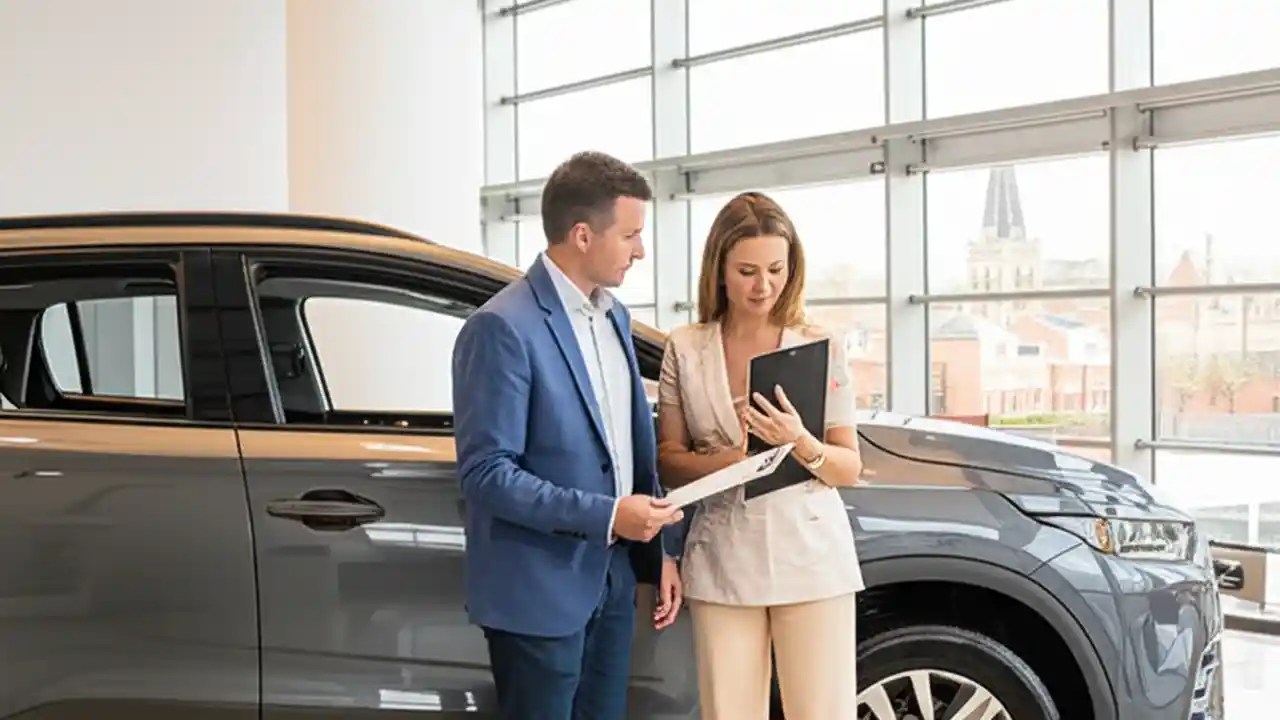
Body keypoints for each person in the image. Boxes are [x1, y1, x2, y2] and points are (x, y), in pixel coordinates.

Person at [452, 150, 685, 720]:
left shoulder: (615, 317)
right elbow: (487, 474)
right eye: (630, 234)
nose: (640, 250)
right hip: (538, 591)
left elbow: (630, 448)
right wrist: (608, 516)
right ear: (583, 235)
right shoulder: (501, 327)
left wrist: (658, 554)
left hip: (611, 580)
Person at [655, 191, 865, 719]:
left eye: (776, 268)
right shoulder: (686, 346)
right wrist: (733, 463)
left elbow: (848, 466)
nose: (763, 285)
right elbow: (669, 458)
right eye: (747, 270)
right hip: (724, 556)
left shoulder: (819, 344)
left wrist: (800, 441)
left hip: (812, 557)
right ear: (719, 270)